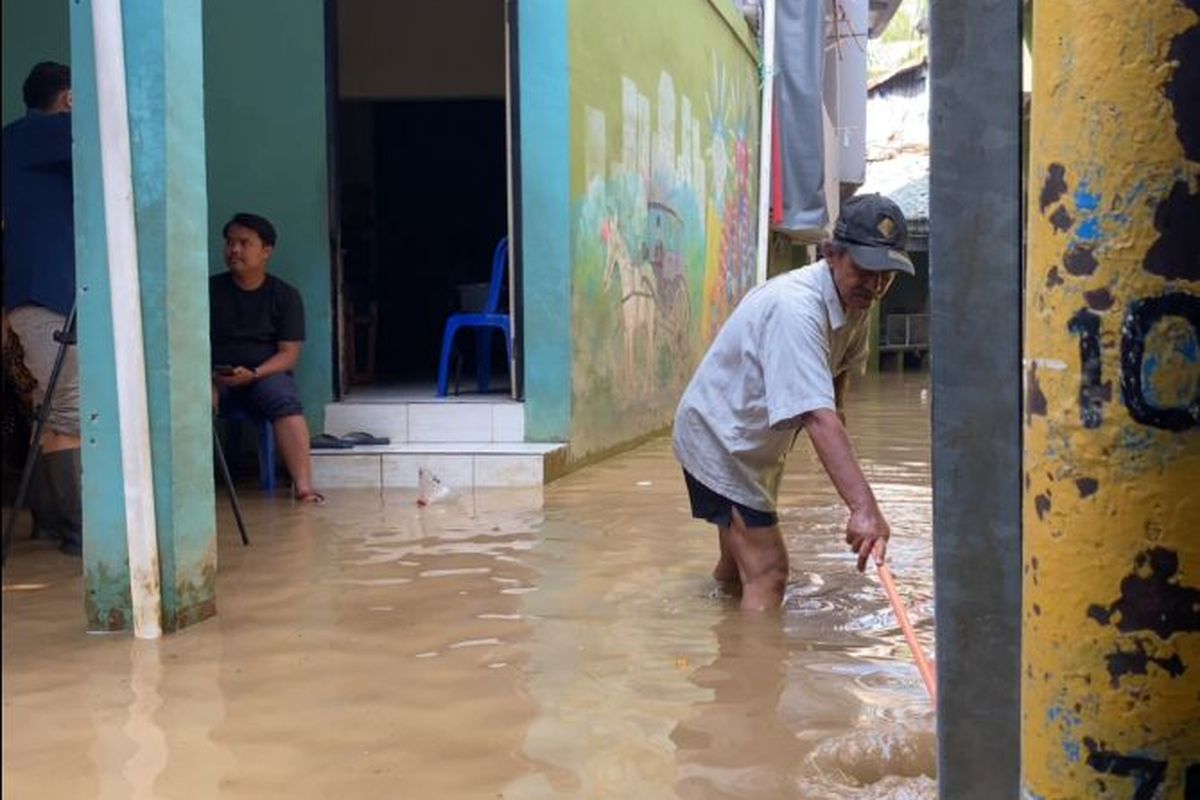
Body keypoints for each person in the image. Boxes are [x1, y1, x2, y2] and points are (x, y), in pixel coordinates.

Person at [673, 193, 914, 611]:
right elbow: (818, 418)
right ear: (831, 255)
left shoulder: (855, 302)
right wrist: (863, 508)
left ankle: (714, 623)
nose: (876, 285)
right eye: (866, 270)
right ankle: (751, 675)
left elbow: (834, 397)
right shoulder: (796, 309)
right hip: (720, 439)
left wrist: (842, 467)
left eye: (886, 275)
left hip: (749, 441)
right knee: (769, 571)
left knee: (739, 564)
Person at [1, 62, 82, 555]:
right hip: (51, 299)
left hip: (34, 297)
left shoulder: (13, 139)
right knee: (66, 411)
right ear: (70, 100)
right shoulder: (57, 135)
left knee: (51, 413)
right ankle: (78, 529)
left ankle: (55, 521)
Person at [210, 212, 323, 504]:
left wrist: (255, 373)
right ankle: (196, 489)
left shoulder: (285, 296)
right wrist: (209, 377)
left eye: (244, 243)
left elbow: (289, 356)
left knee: (285, 400)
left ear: (266, 251)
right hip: (216, 376)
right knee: (191, 401)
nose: (234, 250)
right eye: (230, 243)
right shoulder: (209, 292)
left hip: (264, 376)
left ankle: (304, 487)